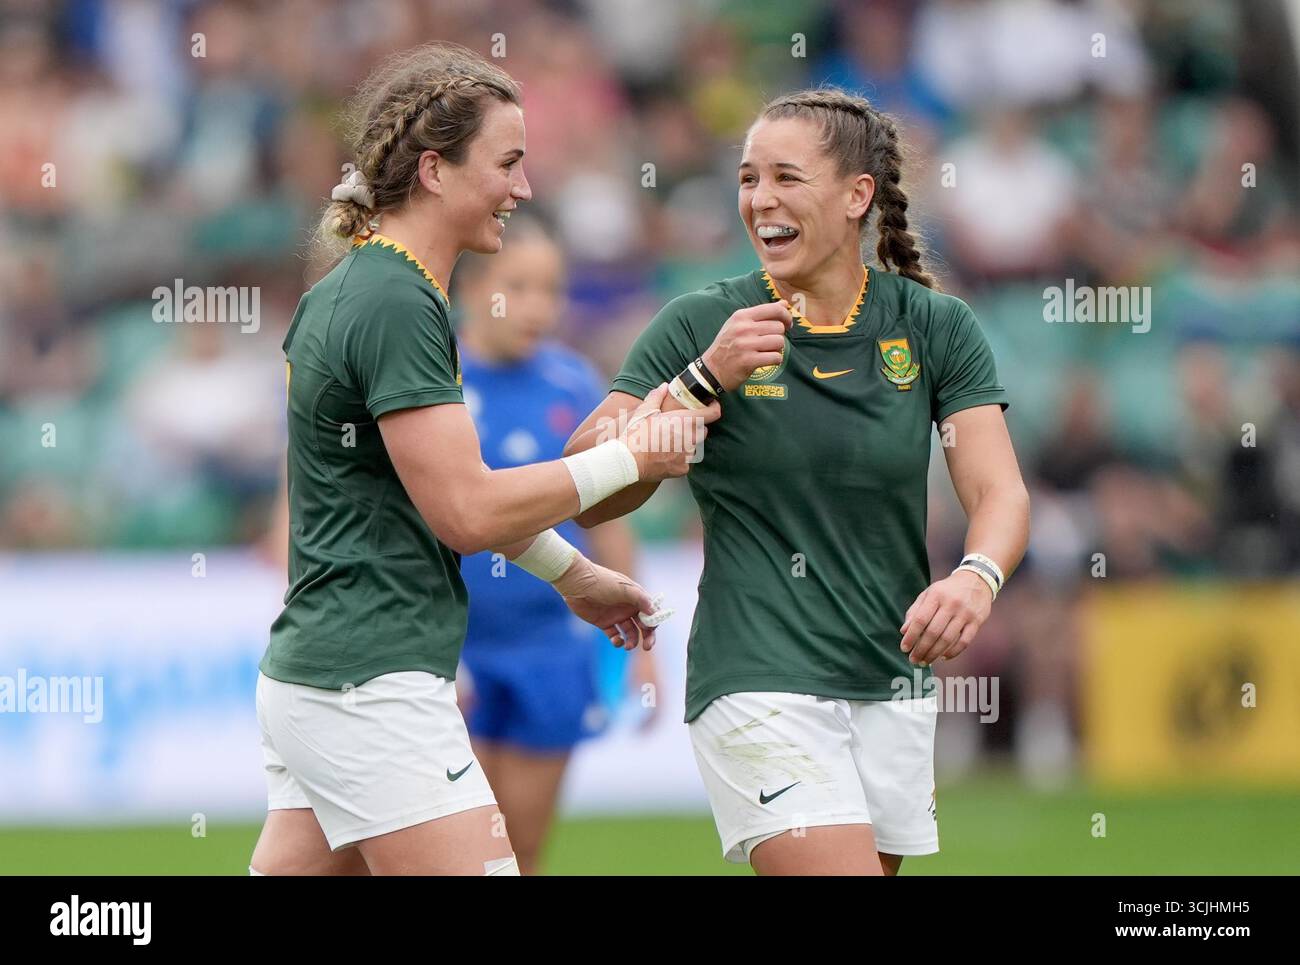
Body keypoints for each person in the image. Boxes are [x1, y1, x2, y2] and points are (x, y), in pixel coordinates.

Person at [249, 43, 715, 877]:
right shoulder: (397, 302)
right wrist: (631, 455)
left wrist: (573, 574)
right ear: (435, 170)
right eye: (507, 163)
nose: (523, 188)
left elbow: (432, 493)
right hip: (372, 687)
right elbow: (464, 511)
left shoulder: (362, 288)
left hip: (324, 679)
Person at [565, 88, 1031, 876]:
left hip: (889, 673)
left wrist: (975, 580)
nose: (760, 200)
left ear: (858, 197)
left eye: (785, 177)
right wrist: (698, 382)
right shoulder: (700, 324)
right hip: (756, 673)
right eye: (748, 179)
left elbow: (1000, 493)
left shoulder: (934, 326)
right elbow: (587, 478)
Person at [452, 219, 658, 875]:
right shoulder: (436, 386)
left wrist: (645, 654)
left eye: (552, 289)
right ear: (474, 287)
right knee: (459, 851)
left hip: (550, 646)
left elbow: (608, 520)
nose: (538, 306)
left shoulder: (574, 385)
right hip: (453, 644)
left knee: (520, 853)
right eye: (519, 286)